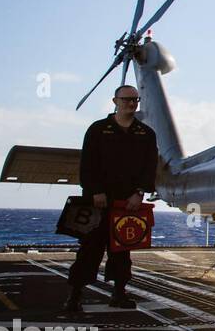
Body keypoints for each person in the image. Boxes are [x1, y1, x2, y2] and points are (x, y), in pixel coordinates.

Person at [63, 84, 157, 312]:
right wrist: (95, 190)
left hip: (127, 203)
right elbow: (87, 164)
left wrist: (139, 193)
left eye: (135, 100)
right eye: (126, 100)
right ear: (115, 101)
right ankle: (75, 295)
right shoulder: (97, 130)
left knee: (122, 250)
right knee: (89, 249)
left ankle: (119, 293)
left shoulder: (145, 134)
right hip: (98, 202)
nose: (131, 104)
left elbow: (149, 167)